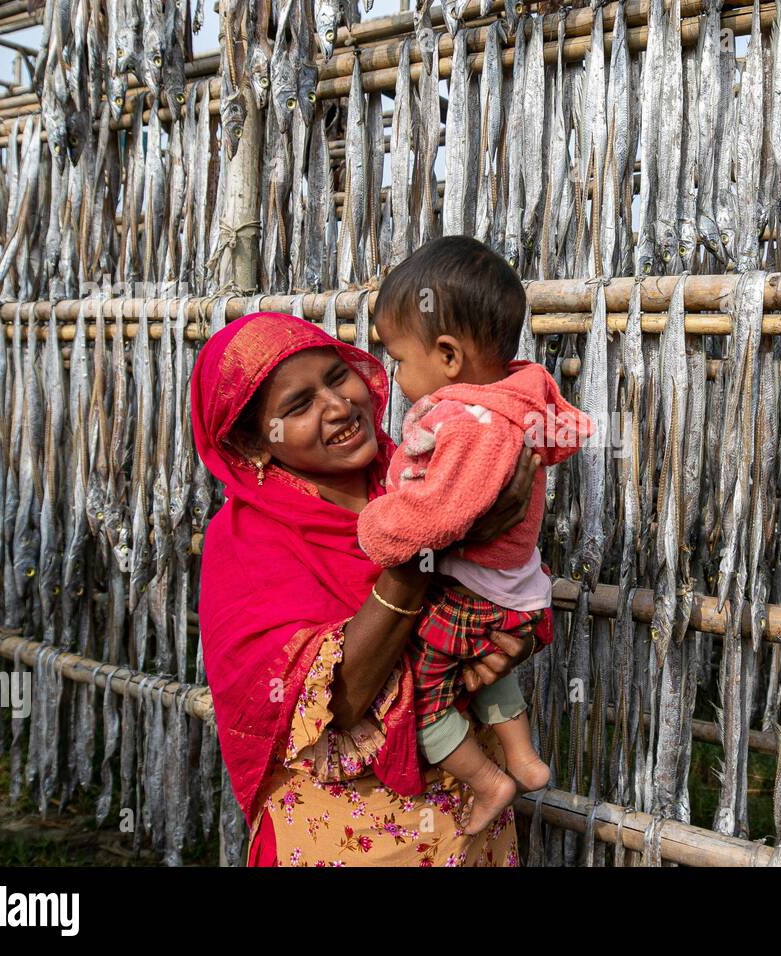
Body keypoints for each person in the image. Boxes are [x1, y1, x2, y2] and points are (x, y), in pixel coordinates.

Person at [192, 309, 539, 866]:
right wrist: (429, 544)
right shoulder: (247, 543)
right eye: (299, 406)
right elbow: (344, 698)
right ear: (255, 444)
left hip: (471, 817)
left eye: (336, 377)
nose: (337, 407)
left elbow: (504, 591)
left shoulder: (420, 471)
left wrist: (501, 646)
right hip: (350, 837)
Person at [356, 236, 592, 834]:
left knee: (420, 695)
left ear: (448, 354)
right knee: (489, 669)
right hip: (510, 591)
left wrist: (380, 526)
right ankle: (523, 755)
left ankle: (490, 781)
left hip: (476, 593)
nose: (396, 376)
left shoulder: (469, 422)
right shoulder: (512, 402)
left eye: (399, 360)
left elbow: (439, 517)